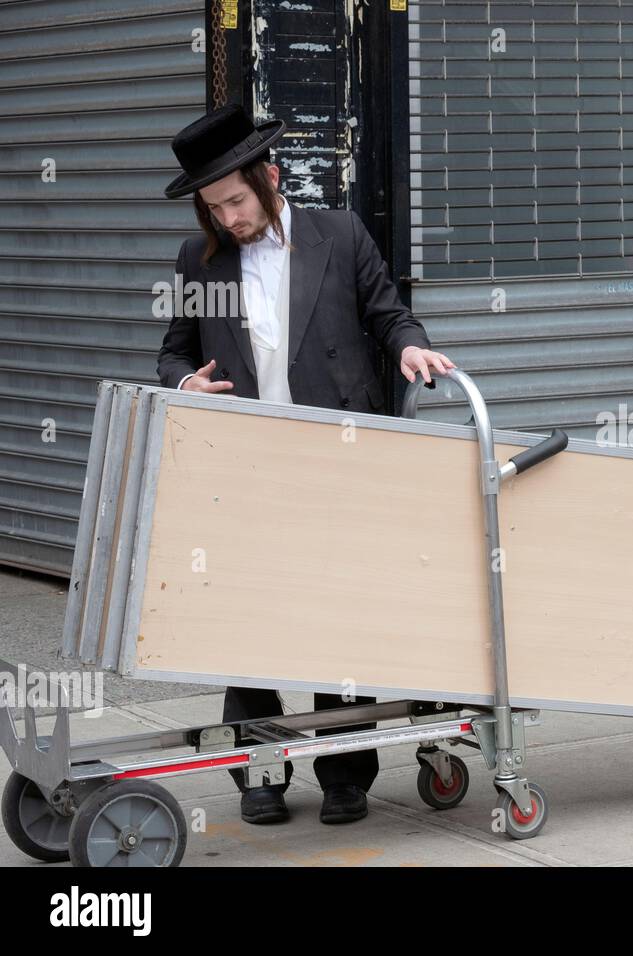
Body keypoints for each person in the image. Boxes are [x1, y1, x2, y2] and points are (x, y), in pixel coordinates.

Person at [157, 103, 455, 821]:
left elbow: (387, 312)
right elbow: (173, 350)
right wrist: (184, 384)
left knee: (339, 614)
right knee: (251, 617)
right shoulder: (198, 260)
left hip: (338, 456)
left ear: (269, 178)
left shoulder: (339, 233)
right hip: (248, 466)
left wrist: (409, 346)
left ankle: (346, 772)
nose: (227, 218)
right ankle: (259, 769)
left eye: (234, 201)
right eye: (213, 207)